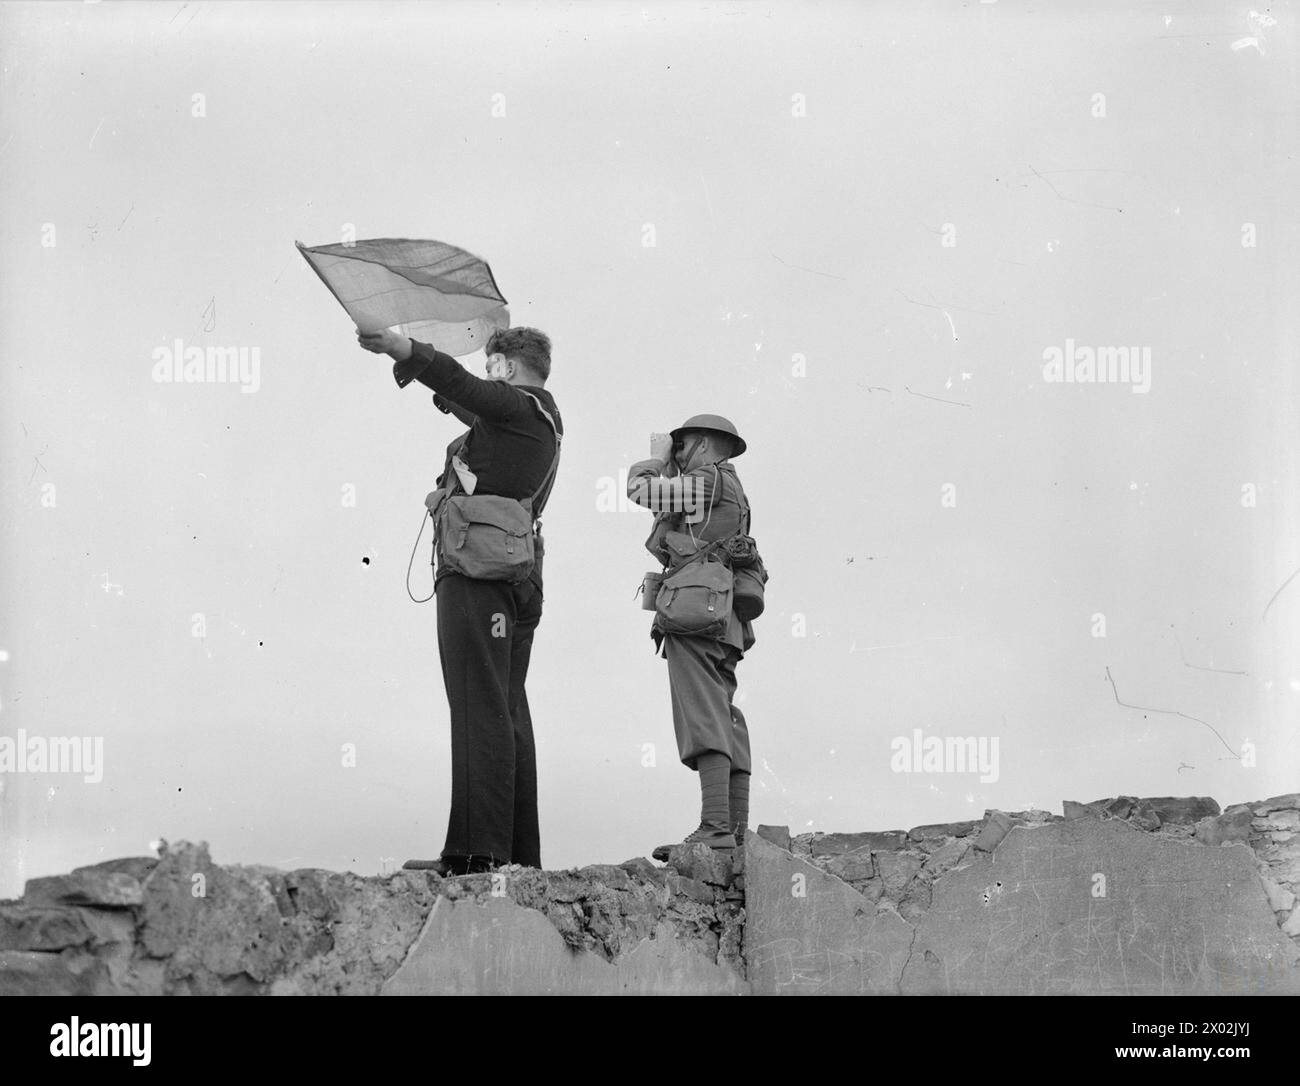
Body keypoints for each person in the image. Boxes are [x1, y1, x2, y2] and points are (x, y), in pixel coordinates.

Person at [357, 325, 562, 875]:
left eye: (491, 364)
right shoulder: (534, 418)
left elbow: (465, 387)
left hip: (479, 570)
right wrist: (423, 377)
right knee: (505, 705)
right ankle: (516, 858)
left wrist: (404, 349)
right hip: (513, 574)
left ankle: (476, 856)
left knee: (478, 702)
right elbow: (460, 399)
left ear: (508, 368)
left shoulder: (517, 406)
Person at [626, 415, 755, 859]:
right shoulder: (730, 486)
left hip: (698, 615)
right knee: (722, 711)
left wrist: (655, 460)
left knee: (702, 712)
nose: (676, 457)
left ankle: (716, 827)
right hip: (723, 619)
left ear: (701, 444)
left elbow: (641, 490)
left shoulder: (708, 480)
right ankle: (733, 834)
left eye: (681, 448)